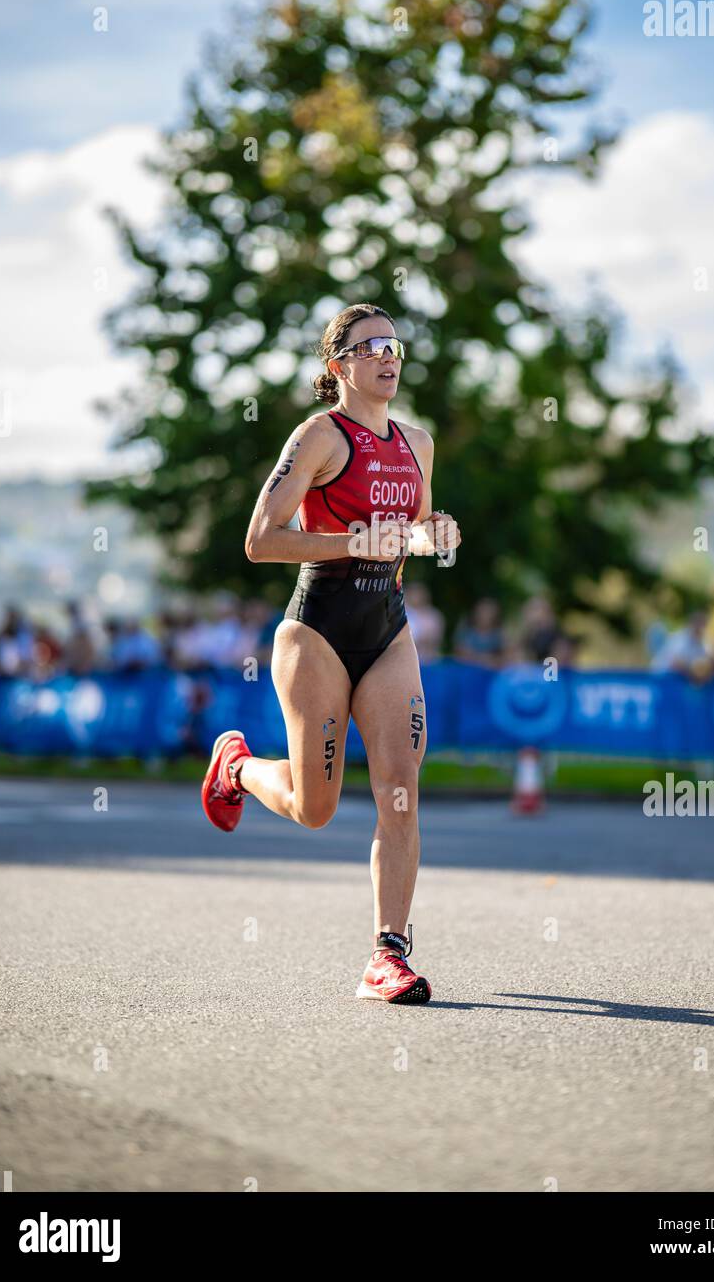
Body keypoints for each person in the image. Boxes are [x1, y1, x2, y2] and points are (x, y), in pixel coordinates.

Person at [200, 303, 461, 1004]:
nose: (388, 356)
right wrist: (353, 541)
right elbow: (260, 540)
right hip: (317, 632)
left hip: (387, 631)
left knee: (400, 790)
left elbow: (411, 533)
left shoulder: (417, 443)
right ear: (337, 364)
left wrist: (435, 533)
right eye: (371, 347)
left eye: (394, 345)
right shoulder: (320, 436)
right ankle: (237, 766)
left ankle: (387, 955)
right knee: (315, 808)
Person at [453, 597, 506, 669]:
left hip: (490, 672)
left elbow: (504, 658)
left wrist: (475, 657)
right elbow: (460, 653)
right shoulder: (466, 629)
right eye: (482, 611)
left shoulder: (499, 634)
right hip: (465, 670)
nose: (484, 615)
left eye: (488, 612)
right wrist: (486, 659)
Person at [404, 581, 445, 662]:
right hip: (409, 659)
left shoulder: (433, 615)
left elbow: (435, 639)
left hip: (429, 659)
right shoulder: (405, 613)